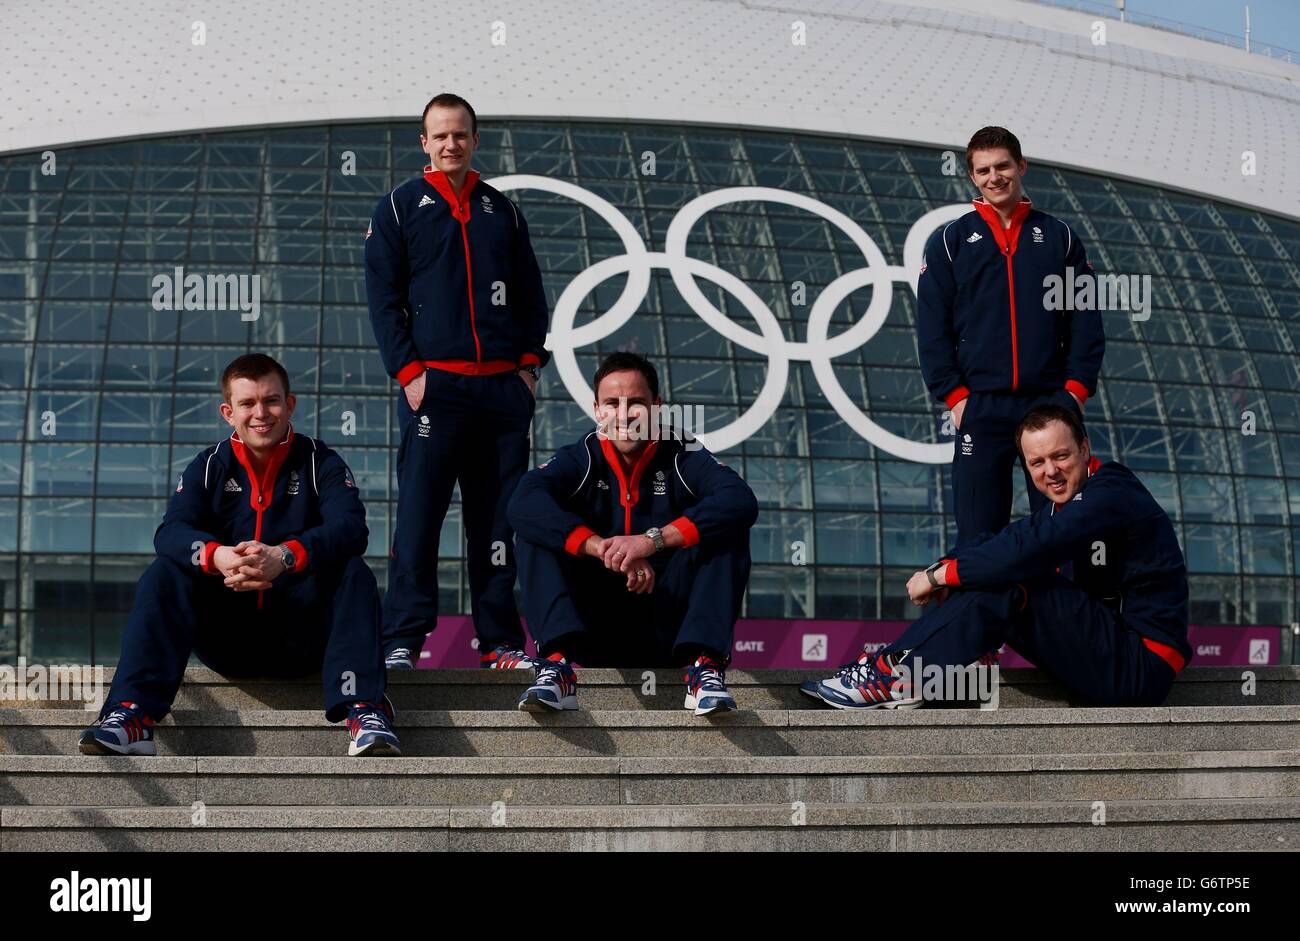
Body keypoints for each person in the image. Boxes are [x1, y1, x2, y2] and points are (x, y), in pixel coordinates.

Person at [80, 354, 398, 756]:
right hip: (227, 638)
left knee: (352, 570)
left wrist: (285, 556)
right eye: (248, 404)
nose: (261, 413)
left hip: (304, 638)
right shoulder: (209, 466)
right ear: (228, 412)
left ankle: (365, 710)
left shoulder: (322, 462)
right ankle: (132, 715)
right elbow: (171, 533)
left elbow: (351, 528)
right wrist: (217, 557)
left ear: (291, 404)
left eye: (272, 401)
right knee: (165, 573)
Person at [806, 404, 1190, 709]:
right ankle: (898, 667)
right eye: (1037, 463)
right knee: (987, 554)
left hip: (1141, 666)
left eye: (1061, 456)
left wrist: (943, 576)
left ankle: (895, 674)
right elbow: (1006, 542)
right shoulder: (1057, 510)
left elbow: (1033, 547)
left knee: (1014, 573)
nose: (1051, 471)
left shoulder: (1112, 490)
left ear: (1085, 449)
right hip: (1105, 654)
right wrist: (945, 566)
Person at [365, 92, 550, 671]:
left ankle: (499, 642)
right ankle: (403, 638)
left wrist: (528, 367)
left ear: (475, 139)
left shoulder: (503, 211)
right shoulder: (398, 208)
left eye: (461, 135)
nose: (451, 144)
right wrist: (409, 372)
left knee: (497, 525)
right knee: (419, 519)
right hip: (436, 390)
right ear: (424, 142)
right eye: (440, 135)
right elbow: (383, 299)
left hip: (500, 393)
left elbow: (530, 293)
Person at [507, 353, 758, 715]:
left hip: (667, 628)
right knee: (535, 531)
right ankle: (556, 667)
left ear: (657, 406)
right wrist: (600, 548)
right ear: (597, 410)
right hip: (595, 629)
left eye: (636, 403)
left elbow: (739, 500)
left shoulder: (682, 453)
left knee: (726, 528)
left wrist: (651, 540)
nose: (624, 415)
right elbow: (522, 503)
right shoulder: (581, 456)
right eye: (612, 404)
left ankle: (705, 668)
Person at [918, 126, 1104, 549]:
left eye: (1003, 166)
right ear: (972, 177)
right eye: (983, 170)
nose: (994, 177)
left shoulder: (1060, 237)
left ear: (1021, 166)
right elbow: (932, 329)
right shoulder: (950, 242)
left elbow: (1086, 318)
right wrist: (956, 398)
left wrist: (1074, 392)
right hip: (980, 407)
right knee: (977, 534)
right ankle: (986, 614)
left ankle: (1063, 614)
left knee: (1064, 530)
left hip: (1049, 404)